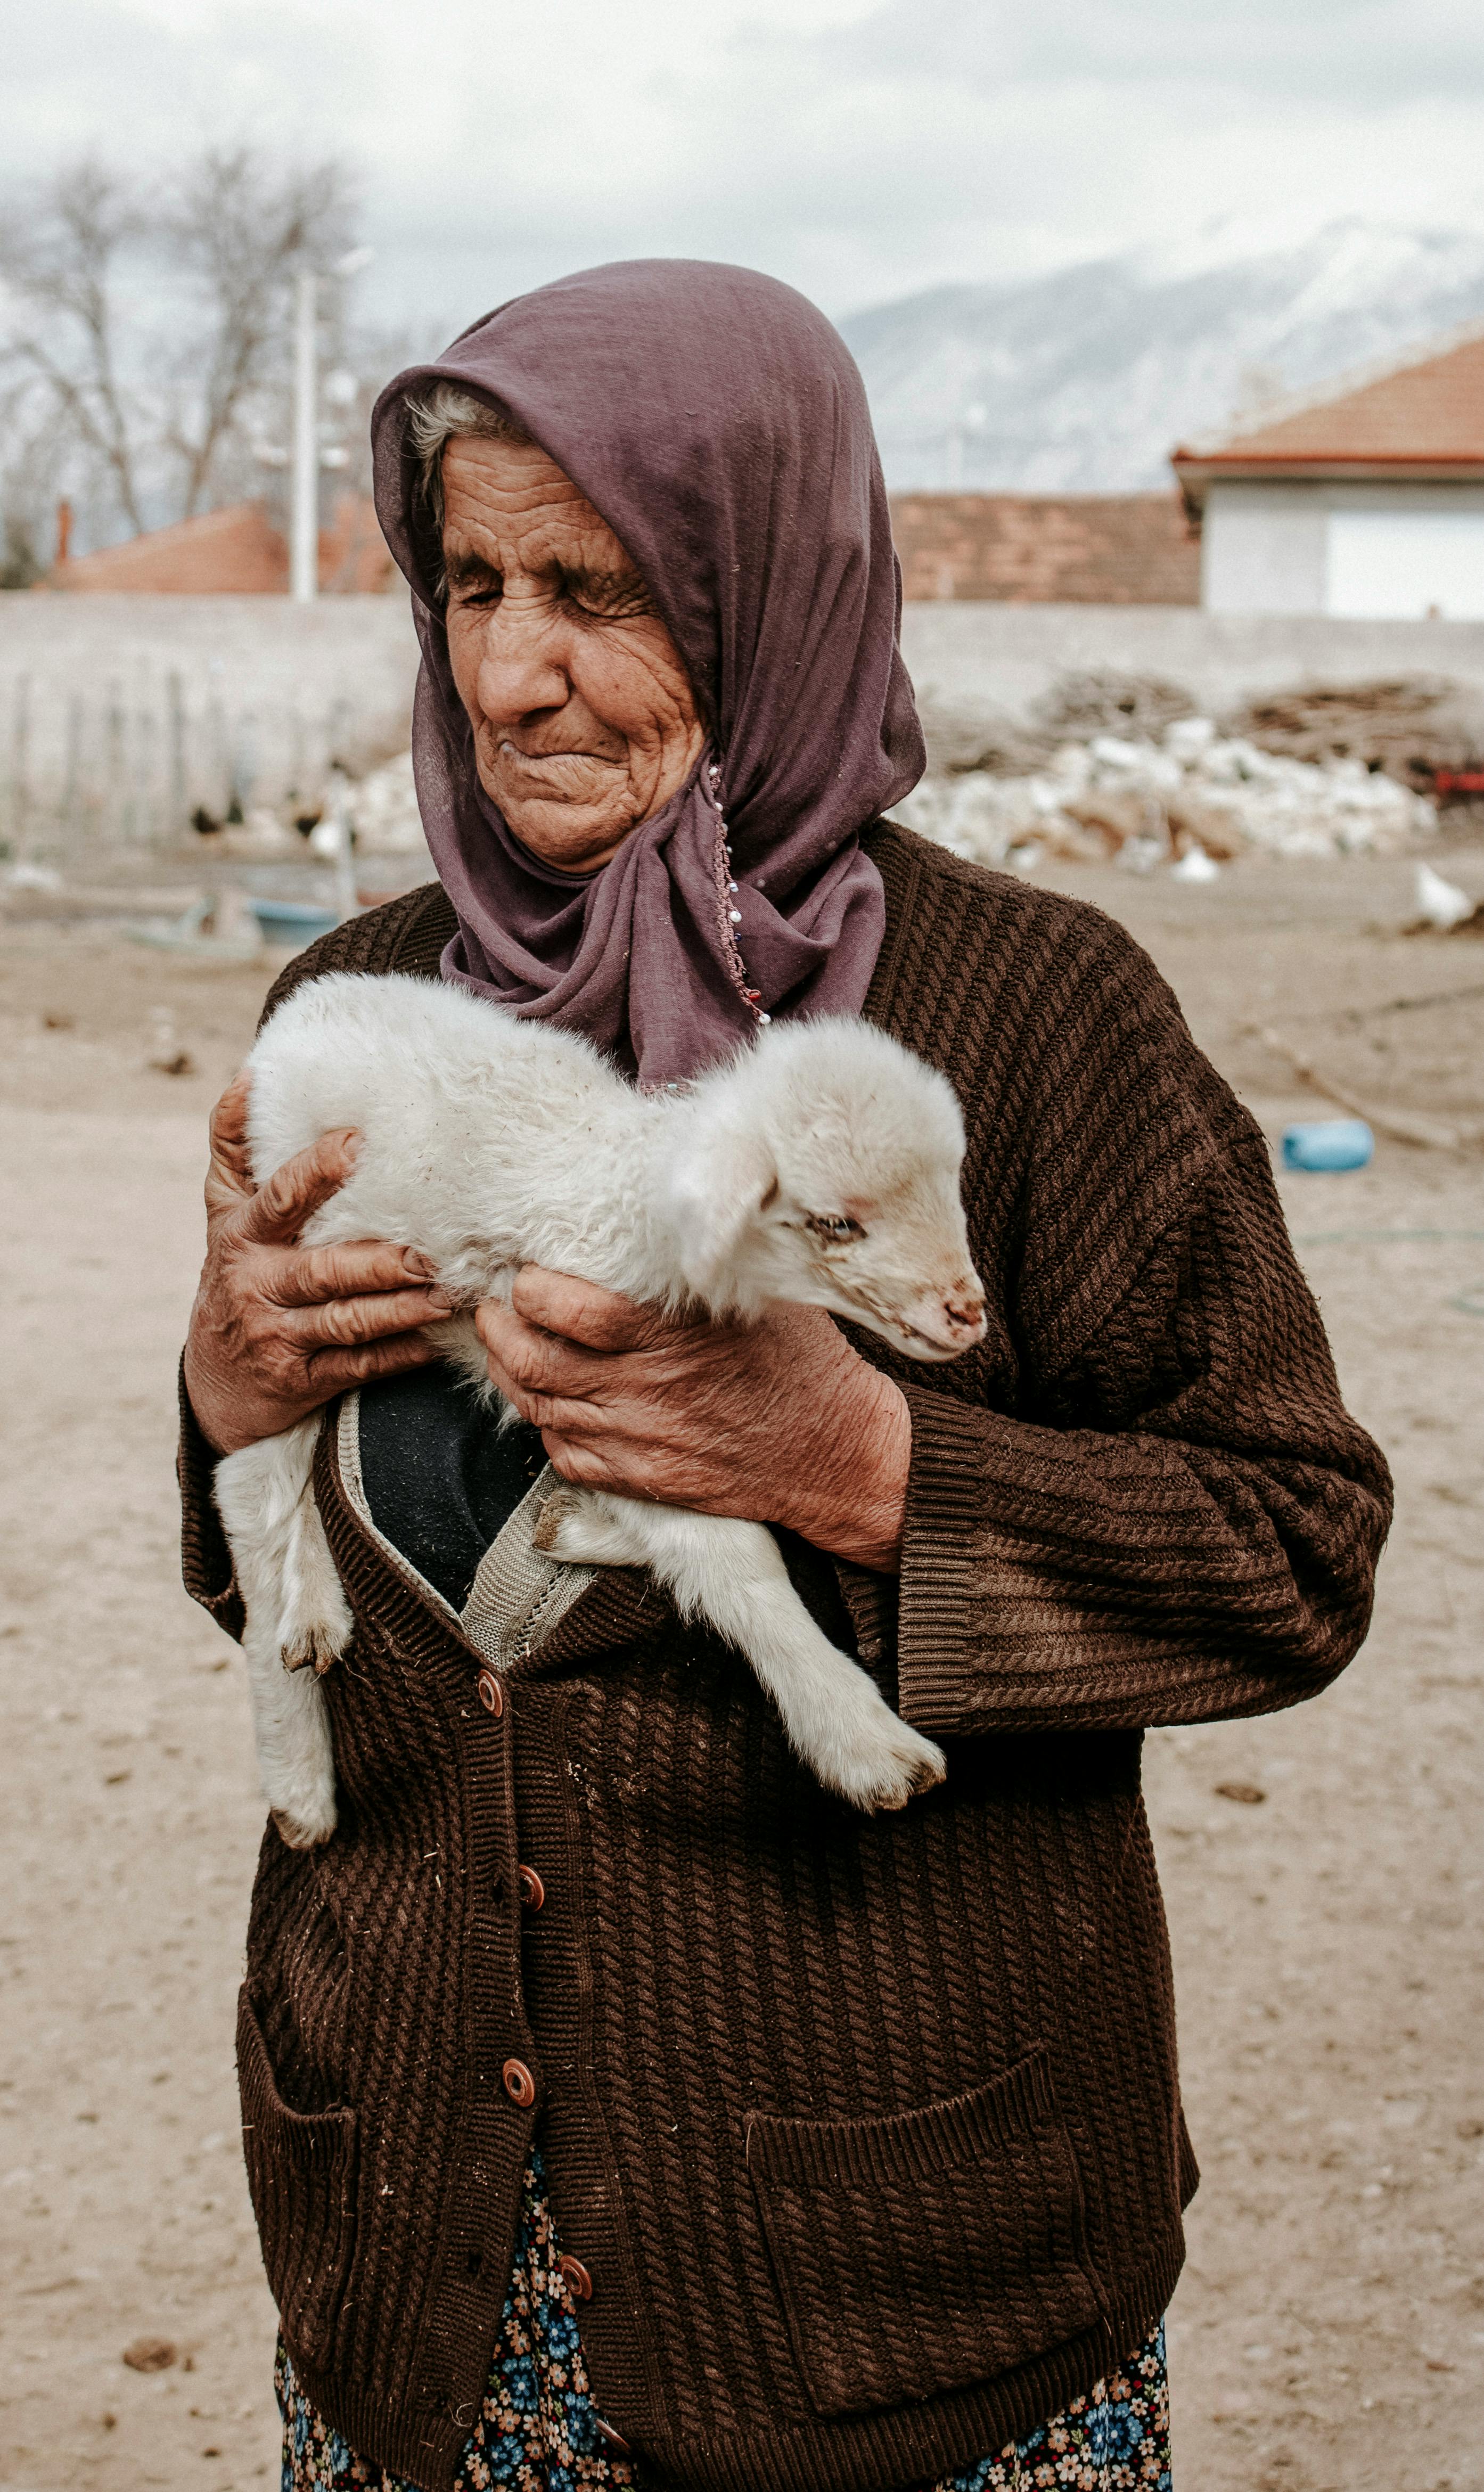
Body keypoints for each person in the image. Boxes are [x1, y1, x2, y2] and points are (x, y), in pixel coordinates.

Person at [178, 260, 1390, 2492]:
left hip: (897, 2303)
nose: (511, 669)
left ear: (777, 587)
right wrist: (231, 1405)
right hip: (414, 2289)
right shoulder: (361, 1001)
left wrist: (874, 1468)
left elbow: (1293, 1553)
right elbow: (290, 1563)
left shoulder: (1032, 1020)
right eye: (468, 583)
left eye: (599, 591)